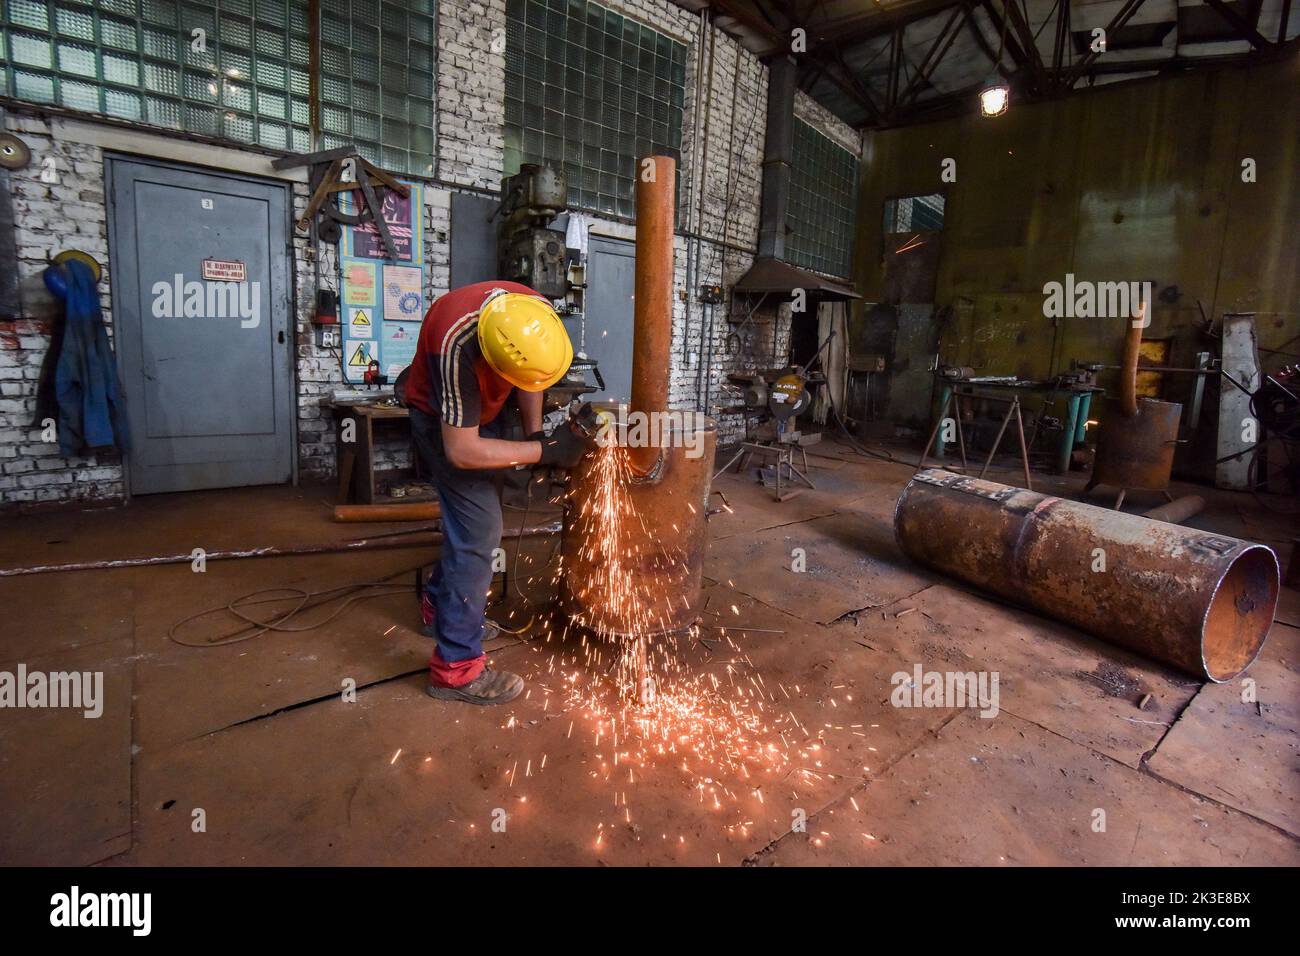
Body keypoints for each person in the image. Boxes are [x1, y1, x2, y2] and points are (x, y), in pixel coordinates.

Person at [403, 282, 594, 705]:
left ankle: (438, 606)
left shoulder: (535, 316)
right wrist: (545, 451)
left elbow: (532, 377)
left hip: (484, 413)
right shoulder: (455, 341)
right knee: (480, 530)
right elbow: (462, 449)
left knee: (472, 526)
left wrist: (535, 436)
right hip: (439, 421)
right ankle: (455, 669)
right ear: (492, 354)